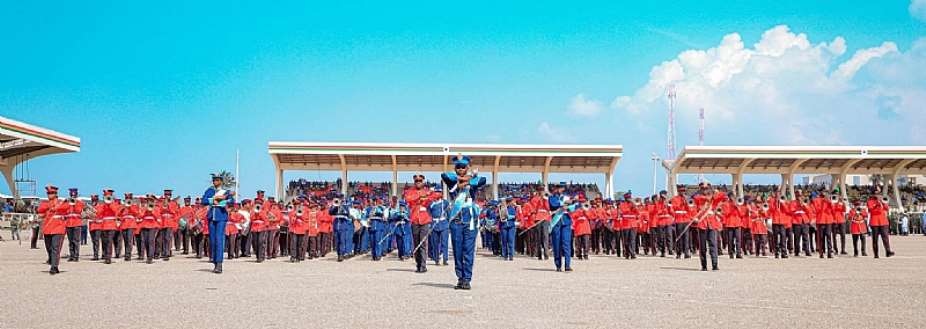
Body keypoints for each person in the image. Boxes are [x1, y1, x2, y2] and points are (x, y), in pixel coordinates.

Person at [442, 155, 486, 290]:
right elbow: (444, 175)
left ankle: (467, 279)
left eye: (463, 167)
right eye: (458, 167)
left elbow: (483, 180)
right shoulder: (452, 181)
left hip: (470, 219)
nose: (461, 169)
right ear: (455, 169)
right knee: (457, 250)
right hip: (457, 218)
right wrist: (462, 179)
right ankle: (460, 278)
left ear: (467, 168)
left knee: (468, 250)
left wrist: (467, 180)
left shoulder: (473, 180)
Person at [404, 174, 440, 273]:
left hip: (425, 220)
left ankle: (423, 266)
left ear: (423, 181)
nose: (418, 182)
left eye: (420, 180)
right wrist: (420, 196)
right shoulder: (410, 191)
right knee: (416, 244)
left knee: (423, 243)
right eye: (416, 181)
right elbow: (408, 199)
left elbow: (436, 196)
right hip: (415, 220)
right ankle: (418, 264)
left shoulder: (427, 191)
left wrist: (428, 195)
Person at [202, 173, 235, 273]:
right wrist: (213, 200)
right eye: (214, 180)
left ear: (221, 181)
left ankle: (219, 263)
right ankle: (214, 260)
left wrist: (223, 200)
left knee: (219, 239)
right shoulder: (210, 191)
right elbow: (204, 200)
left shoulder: (225, 192)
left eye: (217, 180)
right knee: (212, 240)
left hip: (221, 216)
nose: (215, 182)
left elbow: (232, 201)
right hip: (212, 217)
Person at [38, 185, 67, 275]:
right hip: (47, 228)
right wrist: (50, 207)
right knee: (49, 248)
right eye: (48, 193)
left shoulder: (61, 202)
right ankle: (53, 262)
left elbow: (67, 208)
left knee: (55, 248)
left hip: (58, 228)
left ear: (56, 194)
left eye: (51, 193)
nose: (49, 195)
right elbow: (40, 211)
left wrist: (55, 207)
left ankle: (54, 266)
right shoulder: (45, 203)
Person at [428, 188, 450, 265]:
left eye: (439, 192)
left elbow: (449, 213)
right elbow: (428, 214)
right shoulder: (431, 203)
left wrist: (449, 223)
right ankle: (436, 259)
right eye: (436, 192)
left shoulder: (445, 203)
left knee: (444, 242)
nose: (437, 193)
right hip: (434, 224)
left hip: (444, 223)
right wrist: (429, 225)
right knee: (435, 243)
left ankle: (445, 259)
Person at [63, 188, 85, 262]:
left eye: (74, 194)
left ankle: (76, 256)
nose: (72, 196)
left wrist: (75, 203)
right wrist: (65, 202)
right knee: (70, 241)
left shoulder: (79, 202)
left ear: (76, 195)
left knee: (76, 241)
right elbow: (63, 210)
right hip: (69, 224)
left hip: (77, 224)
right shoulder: (67, 203)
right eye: (71, 194)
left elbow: (79, 210)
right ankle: (71, 255)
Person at [498, 197, 518, 261]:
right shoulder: (501, 208)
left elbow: (515, 216)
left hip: (511, 226)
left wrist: (509, 217)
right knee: (504, 241)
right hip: (503, 226)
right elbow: (499, 217)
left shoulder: (512, 208)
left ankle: (511, 255)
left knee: (511, 241)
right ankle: (505, 255)